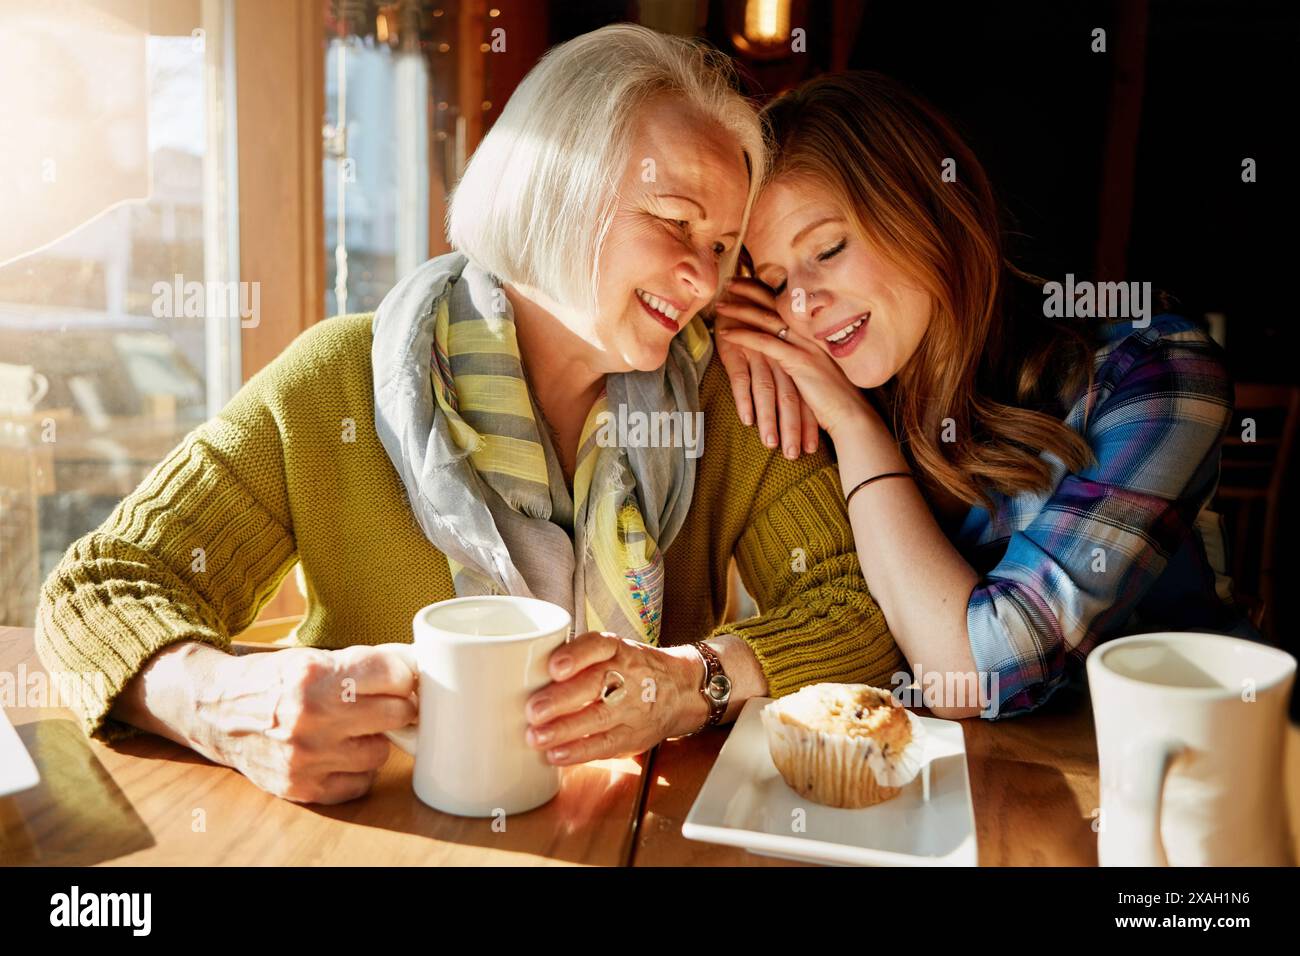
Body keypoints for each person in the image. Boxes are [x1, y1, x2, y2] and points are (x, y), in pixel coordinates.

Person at [34, 27, 901, 805]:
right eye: (674, 221)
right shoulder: (338, 377)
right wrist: (228, 703)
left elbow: (862, 608)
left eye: (720, 246)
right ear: (553, 188)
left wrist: (693, 680)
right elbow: (96, 589)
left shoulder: (721, 393)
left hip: (624, 834)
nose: (704, 279)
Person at [715, 71, 1249, 719]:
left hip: (1177, 775)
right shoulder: (821, 387)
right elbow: (839, 632)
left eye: (827, 249)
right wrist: (716, 322)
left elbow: (975, 675)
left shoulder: (1149, 371)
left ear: (926, 211)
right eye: (773, 284)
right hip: (951, 789)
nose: (801, 303)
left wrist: (856, 429)